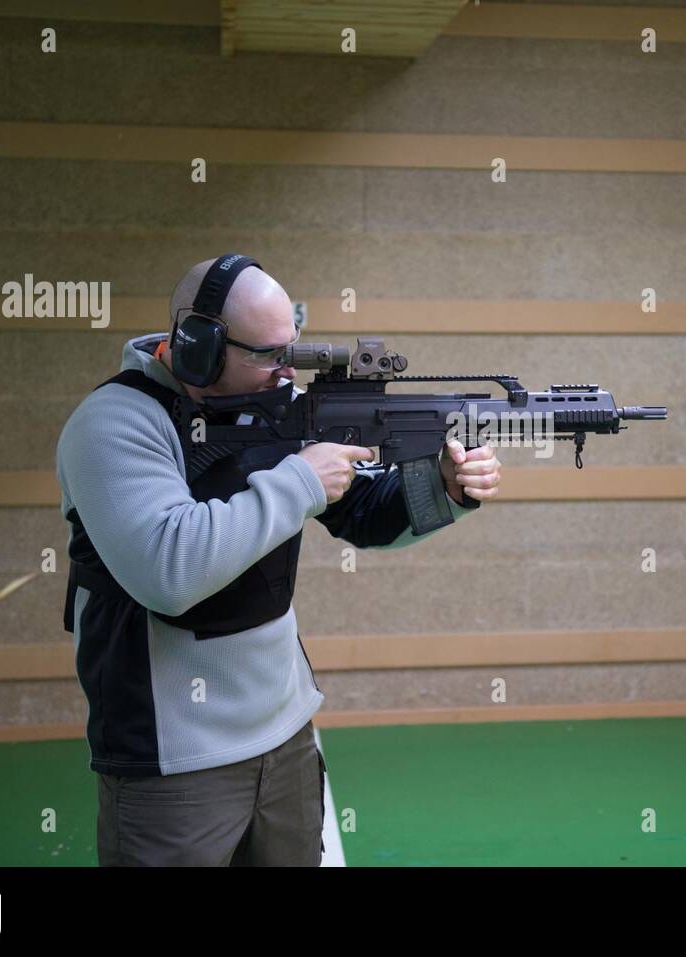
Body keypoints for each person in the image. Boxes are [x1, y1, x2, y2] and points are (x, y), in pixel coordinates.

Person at [55, 254, 502, 866]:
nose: (286, 369)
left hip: (285, 733)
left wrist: (445, 489)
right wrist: (299, 480)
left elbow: (363, 511)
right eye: (267, 354)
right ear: (199, 348)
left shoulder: (277, 401)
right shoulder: (113, 423)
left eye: (290, 347)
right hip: (173, 755)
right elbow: (170, 571)